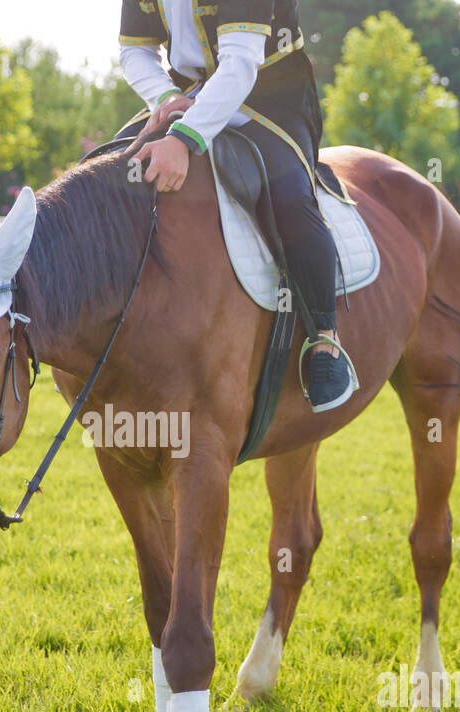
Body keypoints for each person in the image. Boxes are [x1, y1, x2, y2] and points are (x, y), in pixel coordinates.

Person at [119, 0, 357, 412]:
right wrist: (167, 96)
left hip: (269, 99)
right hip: (188, 95)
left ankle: (324, 336)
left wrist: (183, 140)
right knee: (111, 171)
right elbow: (135, 49)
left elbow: (240, 63)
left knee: (290, 198)